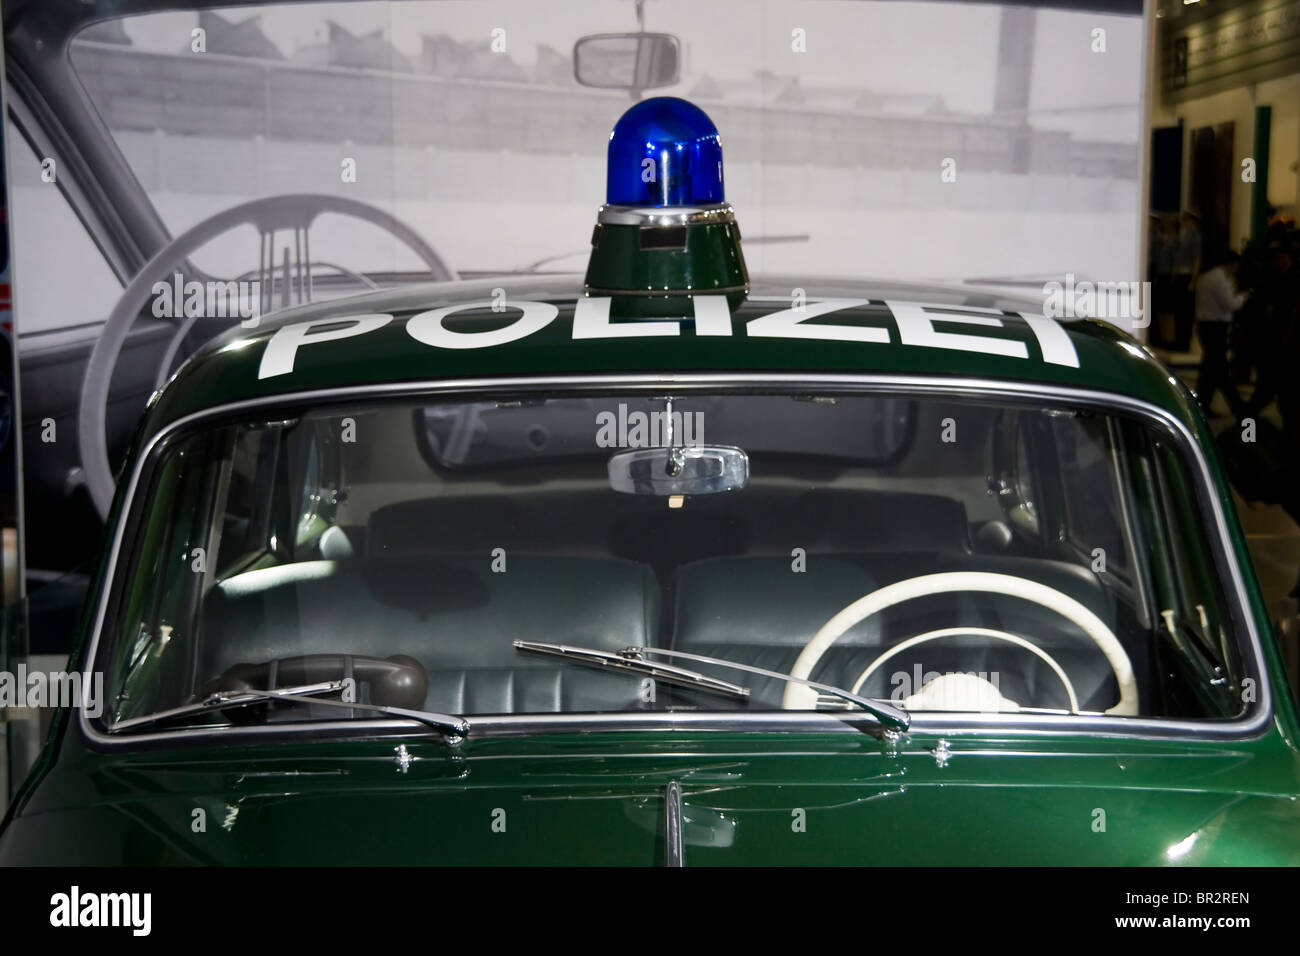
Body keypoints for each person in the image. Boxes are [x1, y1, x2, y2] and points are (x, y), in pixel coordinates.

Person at [1194, 250, 1248, 418]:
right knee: (1219, 369)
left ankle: (1202, 405)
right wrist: (1244, 297)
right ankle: (1239, 409)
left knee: (1210, 369)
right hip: (1215, 328)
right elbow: (1230, 304)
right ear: (1230, 263)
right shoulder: (1219, 278)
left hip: (1206, 326)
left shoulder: (1206, 276)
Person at [1172, 212, 1202, 351]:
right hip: (1181, 275)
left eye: (1187, 220)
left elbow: (1196, 259)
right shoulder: (1185, 237)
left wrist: (1193, 280)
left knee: (1186, 312)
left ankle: (1184, 342)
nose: (1185, 223)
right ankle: (1179, 340)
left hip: (1187, 275)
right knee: (1179, 310)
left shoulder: (1195, 237)